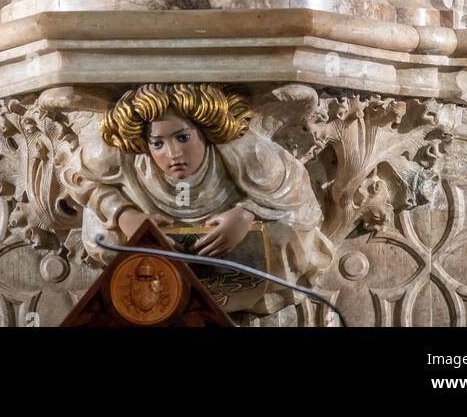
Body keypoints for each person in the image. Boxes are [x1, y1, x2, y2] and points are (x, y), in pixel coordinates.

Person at [61, 83, 331, 314]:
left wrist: (246, 213)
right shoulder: (121, 152)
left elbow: (294, 185)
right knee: (104, 236)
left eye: (183, 137)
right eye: (158, 143)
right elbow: (77, 177)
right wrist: (125, 215)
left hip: (233, 257)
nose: (173, 153)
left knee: (285, 232)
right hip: (155, 258)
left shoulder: (244, 150)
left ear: (204, 131)